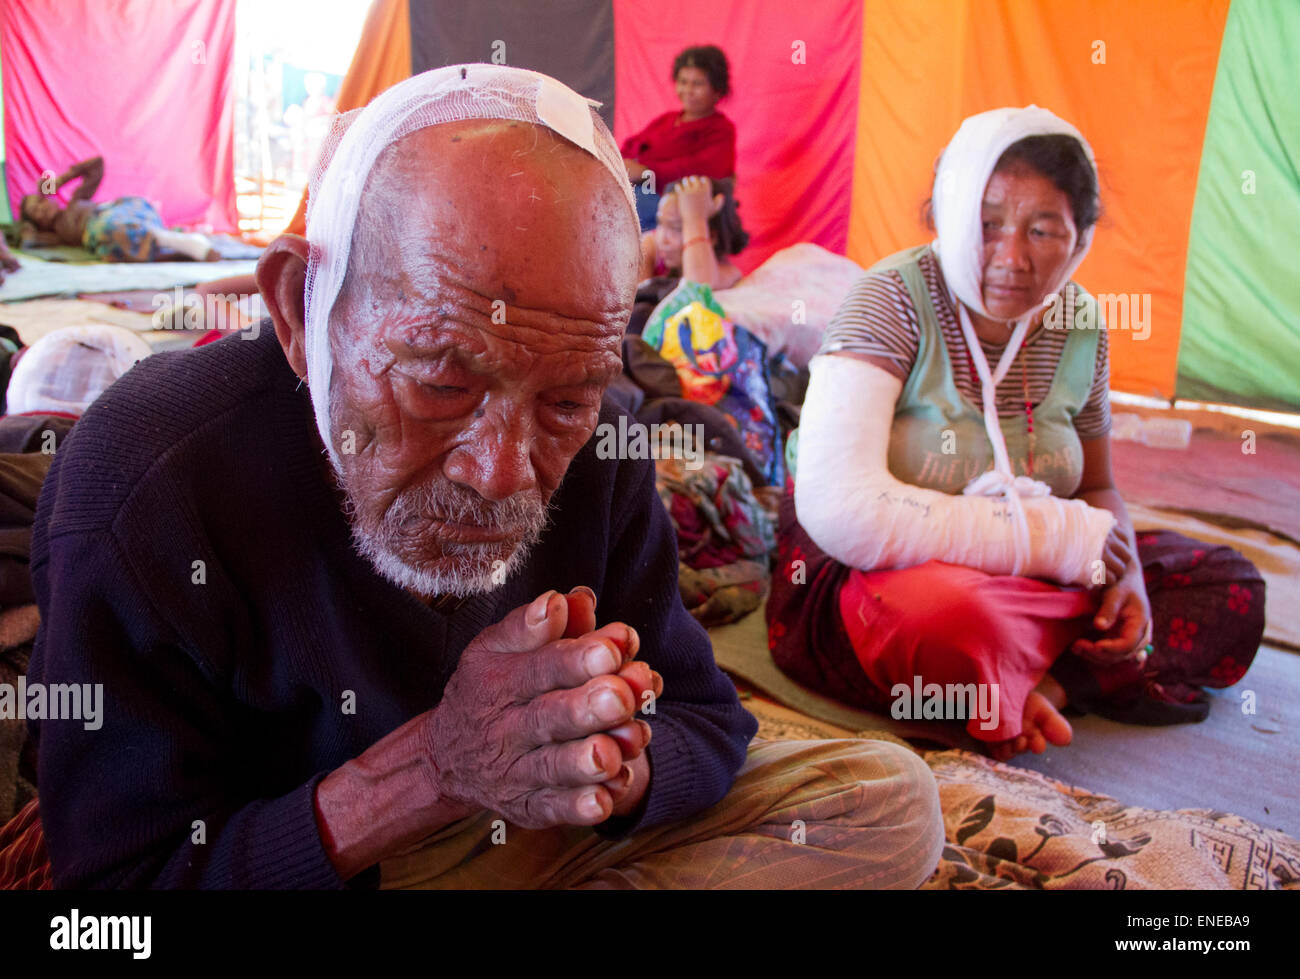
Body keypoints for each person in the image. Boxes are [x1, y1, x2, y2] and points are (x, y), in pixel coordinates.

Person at [16, 66, 942, 890]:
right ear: (304, 312)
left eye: (566, 402)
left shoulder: (603, 446)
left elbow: (704, 715)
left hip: (531, 837)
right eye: (441, 384)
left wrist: (606, 757)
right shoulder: (142, 482)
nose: (503, 474)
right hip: (322, 862)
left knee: (888, 798)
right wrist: (436, 768)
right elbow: (110, 904)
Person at [768, 107, 1265, 761]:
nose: (1011, 258)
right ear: (946, 212)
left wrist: (1130, 582)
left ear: (1081, 236)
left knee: (1233, 585)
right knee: (949, 620)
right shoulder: (889, 298)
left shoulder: (1080, 322)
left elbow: (1097, 487)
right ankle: (1037, 671)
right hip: (887, 574)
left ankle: (1042, 688)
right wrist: (1050, 540)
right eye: (988, 222)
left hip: (1034, 582)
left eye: (1043, 229)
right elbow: (841, 509)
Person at [621, 45, 736, 231]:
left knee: (624, 210)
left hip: (678, 202)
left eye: (697, 84)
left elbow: (698, 169)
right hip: (639, 191)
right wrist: (626, 165)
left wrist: (645, 170)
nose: (688, 90)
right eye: (683, 82)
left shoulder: (721, 129)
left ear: (717, 90)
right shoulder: (666, 120)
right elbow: (631, 145)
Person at [19, 156, 218, 262]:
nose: (42, 210)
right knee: (111, 243)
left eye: (41, 203)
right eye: (35, 212)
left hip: (117, 213)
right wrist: (28, 228)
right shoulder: (57, 235)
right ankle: (177, 244)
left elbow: (97, 164)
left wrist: (60, 181)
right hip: (107, 234)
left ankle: (171, 238)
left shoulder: (77, 201)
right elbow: (27, 242)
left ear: (49, 199)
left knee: (116, 223)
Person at [638, 175, 747, 290]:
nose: (662, 239)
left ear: (711, 236)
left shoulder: (727, 273)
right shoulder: (650, 247)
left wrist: (695, 219)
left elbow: (698, 289)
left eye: (675, 228)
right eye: (660, 222)